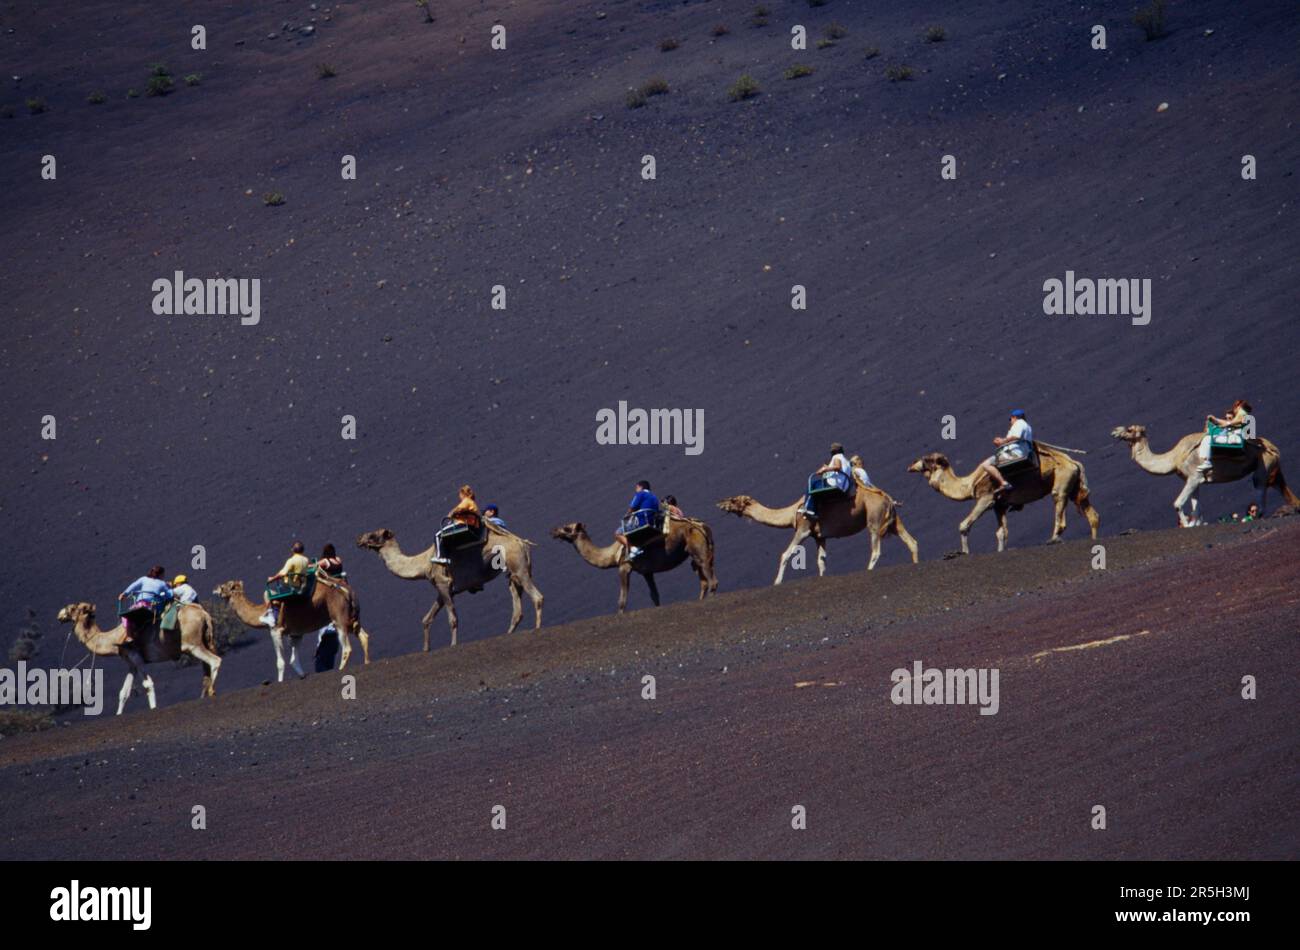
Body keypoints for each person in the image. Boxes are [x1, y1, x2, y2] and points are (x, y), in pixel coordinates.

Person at [979, 410, 1034, 496]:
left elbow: (1016, 436)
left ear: (1014, 417)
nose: (1010, 422)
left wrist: (1002, 441)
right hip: (1023, 453)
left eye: (1010, 419)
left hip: (1014, 454)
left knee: (985, 464)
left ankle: (1003, 483)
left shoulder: (1019, 423)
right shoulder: (1028, 426)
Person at [798, 442, 854, 519]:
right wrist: (827, 468)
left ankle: (807, 508)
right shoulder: (847, 462)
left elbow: (838, 467)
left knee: (812, 483)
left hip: (834, 485)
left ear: (833, 452)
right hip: (844, 487)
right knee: (818, 489)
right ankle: (816, 512)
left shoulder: (836, 457)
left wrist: (825, 469)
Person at [118, 565, 173, 643]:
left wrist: (124, 594)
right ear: (160, 575)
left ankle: (129, 636)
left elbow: (133, 586)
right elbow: (169, 595)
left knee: (126, 616)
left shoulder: (143, 579)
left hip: (139, 605)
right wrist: (170, 587)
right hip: (152, 607)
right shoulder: (162, 583)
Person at [263, 541, 311, 625]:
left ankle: (272, 616)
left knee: (268, 593)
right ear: (302, 550)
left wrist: (272, 579)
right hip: (301, 587)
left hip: (289, 588)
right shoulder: (306, 560)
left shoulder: (291, 560)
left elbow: (282, 573)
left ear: (292, 550)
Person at [1198, 399, 1252, 473]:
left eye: (1235, 407)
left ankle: (1207, 462)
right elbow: (1229, 422)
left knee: (1207, 439)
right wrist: (1216, 419)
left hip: (1235, 437)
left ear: (1238, 406)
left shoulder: (1242, 412)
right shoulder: (1241, 414)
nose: (1234, 409)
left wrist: (1227, 424)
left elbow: (1240, 420)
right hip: (1235, 436)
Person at [432, 485, 480, 564]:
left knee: (437, 535)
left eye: (460, 494)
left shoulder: (466, 501)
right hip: (472, 526)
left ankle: (439, 557)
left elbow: (458, 509)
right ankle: (448, 556)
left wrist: (450, 514)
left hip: (463, 525)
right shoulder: (473, 503)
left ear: (463, 494)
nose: (459, 497)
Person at [615, 480, 660, 559]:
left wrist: (626, 516)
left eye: (636, 488)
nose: (636, 490)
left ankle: (633, 549)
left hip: (641, 523)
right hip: (652, 523)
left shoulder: (640, 494)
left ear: (640, 487)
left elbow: (632, 507)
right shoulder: (655, 497)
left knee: (618, 533)